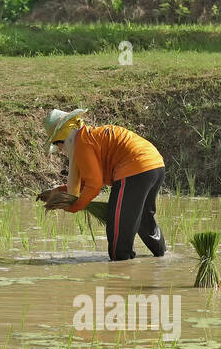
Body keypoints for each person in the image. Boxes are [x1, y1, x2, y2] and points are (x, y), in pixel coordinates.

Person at [41, 108, 167, 261]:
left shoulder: (82, 143)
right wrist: (55, 192)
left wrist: (74, 206)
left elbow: (94, 185)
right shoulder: (88, 137)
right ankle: (162, 259)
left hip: (134, 169)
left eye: (57, 143)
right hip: (155, 165)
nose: (60, 150)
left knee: (118, 232)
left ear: (65, 137)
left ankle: (119, 272)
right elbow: (87, 182)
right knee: (143, 219)